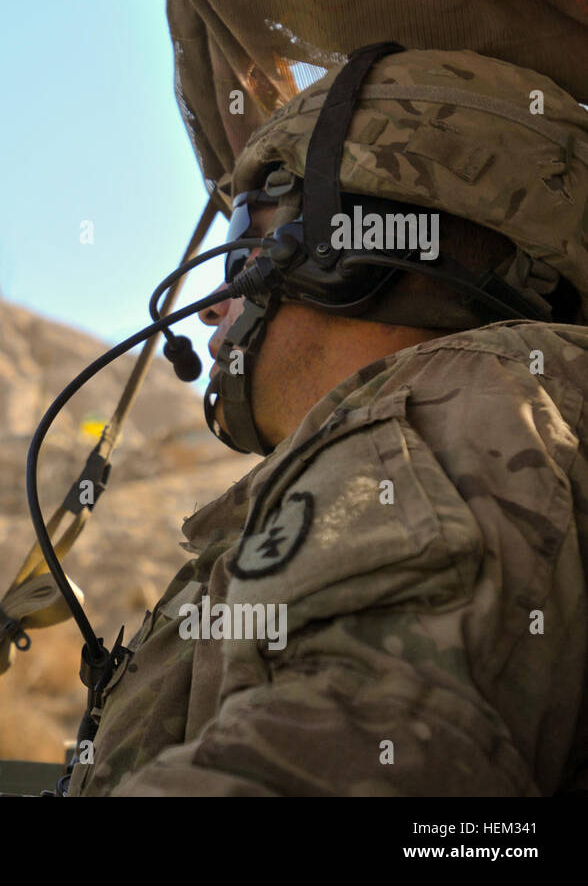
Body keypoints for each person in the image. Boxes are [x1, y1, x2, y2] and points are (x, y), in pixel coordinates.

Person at [68, 46, 588, 796]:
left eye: (250, 228)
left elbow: (319, 761)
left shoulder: (458, 409)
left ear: (352, 247)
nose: (214, 300)